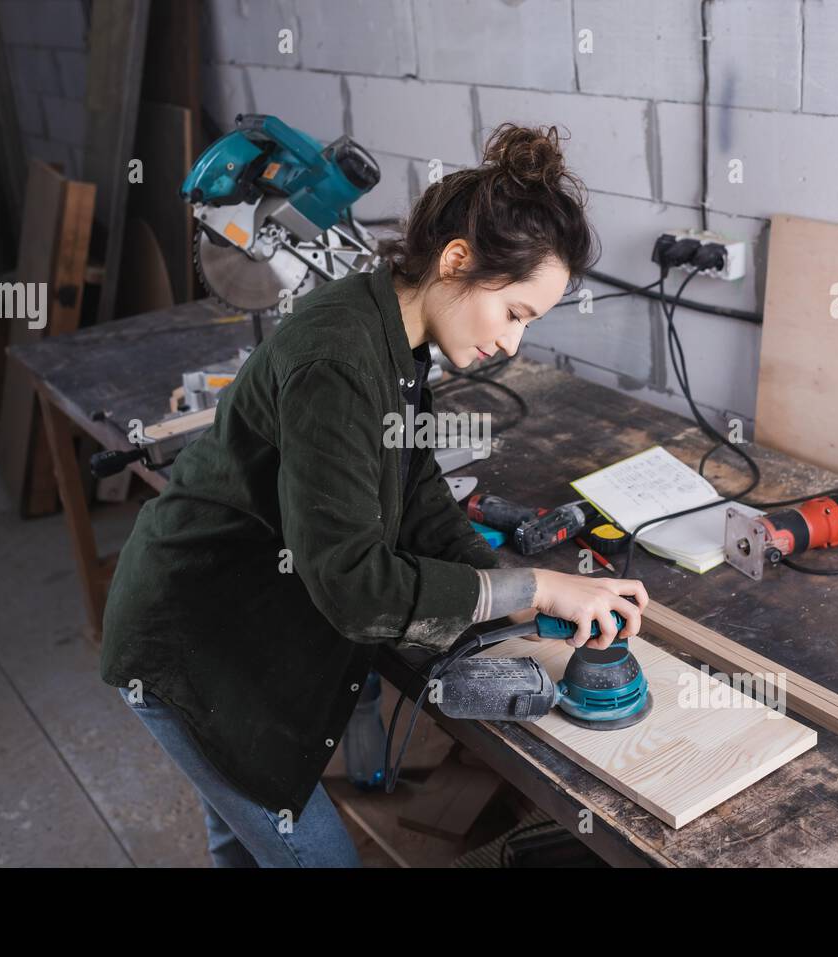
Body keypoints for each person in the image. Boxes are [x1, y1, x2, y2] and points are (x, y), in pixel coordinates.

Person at [100, 122, 651, 867]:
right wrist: (533, 583)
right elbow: (356, 587)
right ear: (458, 261)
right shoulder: (339, 359)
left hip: (227, 618)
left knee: (243, 843)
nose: (514, 344)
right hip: (195, 639)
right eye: (516, 313)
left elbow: (416, 484)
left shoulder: (393, 334)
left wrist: (516, 593)